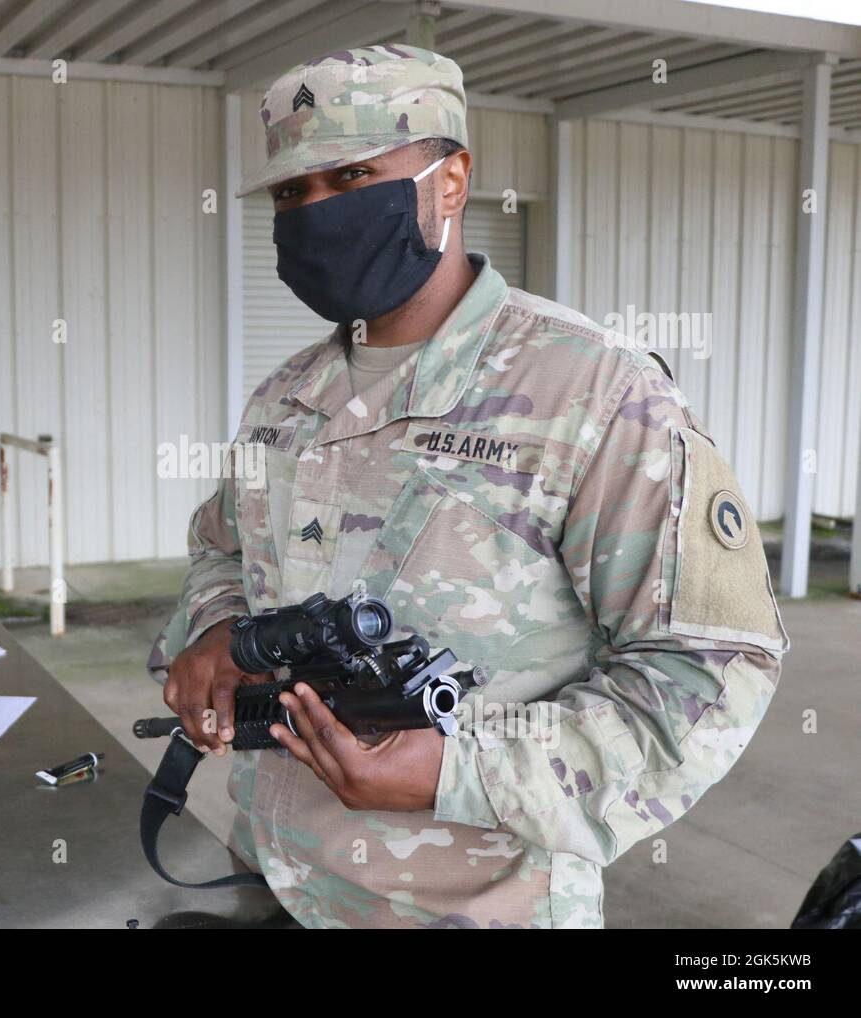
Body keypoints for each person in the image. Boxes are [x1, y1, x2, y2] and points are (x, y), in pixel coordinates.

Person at [149, 45, 787, 929]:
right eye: (292, 193)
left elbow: (711, 671)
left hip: (471, 906)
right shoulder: (286, 395)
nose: (315, 212)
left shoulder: (597, 392)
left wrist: (463, 769)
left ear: (451, 183)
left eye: (353, 175)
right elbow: (221, 548)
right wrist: (218, 626)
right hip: (270, 874)